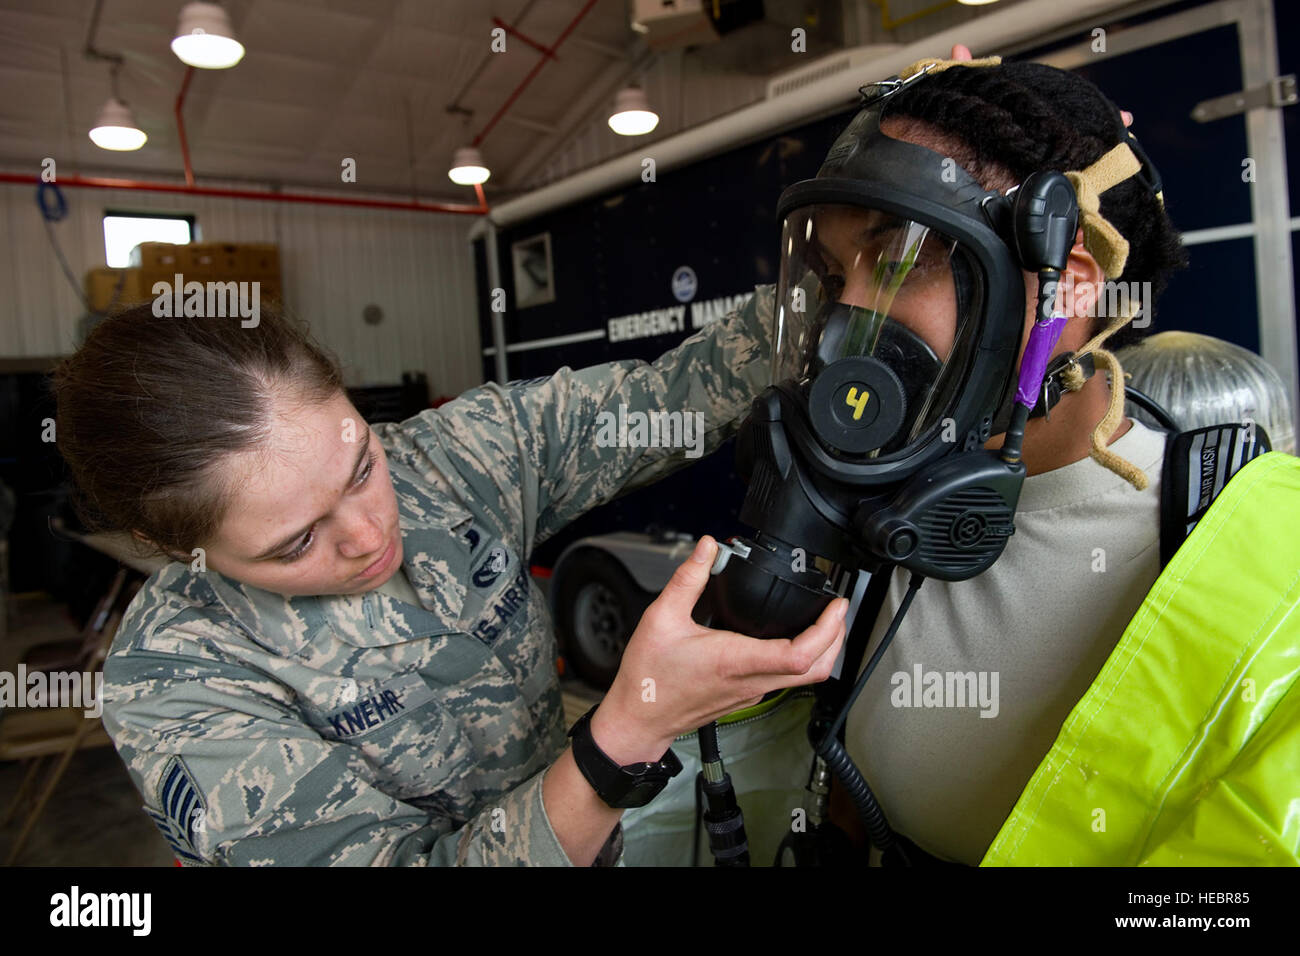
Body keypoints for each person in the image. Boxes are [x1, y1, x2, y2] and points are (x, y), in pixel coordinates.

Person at [54, 292, 849, 866]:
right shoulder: (179, 679)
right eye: (296, 544)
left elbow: (682, 391)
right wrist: (628, 734)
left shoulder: (449, 457)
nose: (372, 536)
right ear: (168, 543)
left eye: (362, 466)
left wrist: (860, 254)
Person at [782, 57, 1187, 865]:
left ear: (1063, 295)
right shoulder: (888, 501)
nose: (841, 329)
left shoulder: (1205, 543)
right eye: (834, 278)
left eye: (898, 258)